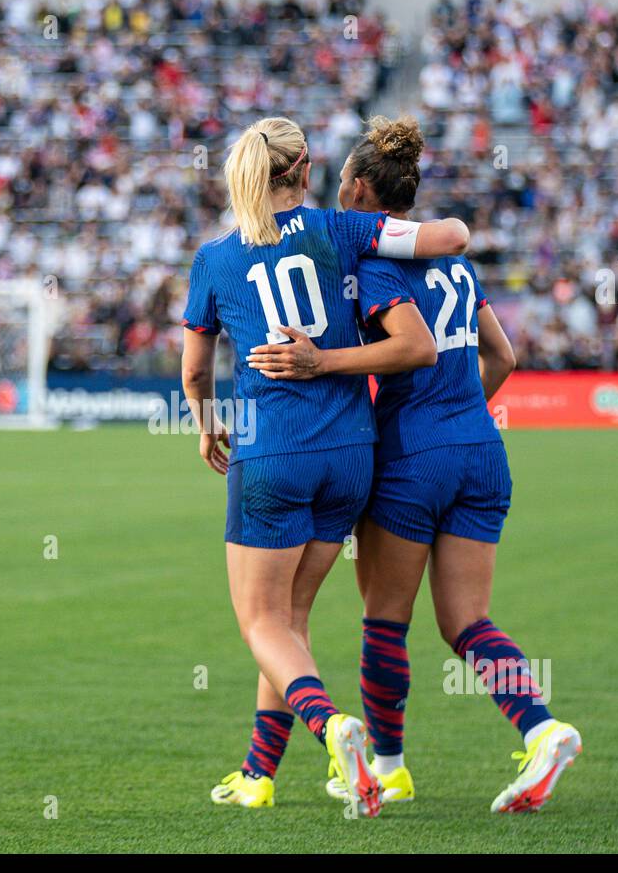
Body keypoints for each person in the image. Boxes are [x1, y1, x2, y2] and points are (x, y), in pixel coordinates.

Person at [252, 116, 582, 814]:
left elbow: (415, 345)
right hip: (482, 450)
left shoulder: (374, 264)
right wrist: (461, 415)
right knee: (468, 621)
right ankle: (542, 727)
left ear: (363, 188)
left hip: (411, 457)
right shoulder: (456, 263)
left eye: (342, 180)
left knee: (384, 622)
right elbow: (506, 358)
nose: (337, 189)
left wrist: (324, 362)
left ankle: (391, 767)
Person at [183, 115, 464, 815]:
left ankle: (332, 724)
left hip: (275, 452)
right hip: (350, 457)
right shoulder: (345, 231)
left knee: (260, 624)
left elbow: (194, 371)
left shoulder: (216, 259)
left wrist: (206, 422)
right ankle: (256, 775)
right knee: (291, 621)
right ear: (306, 169)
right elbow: (448, 238)